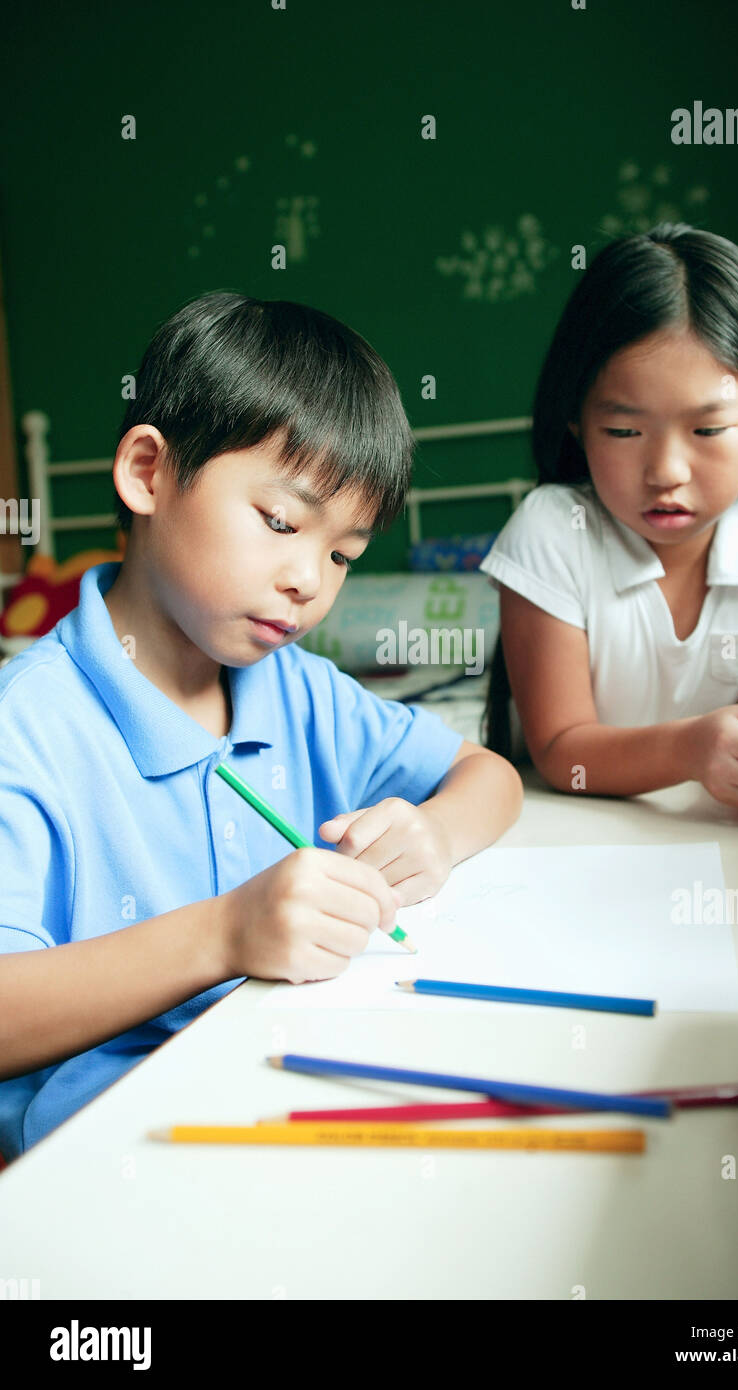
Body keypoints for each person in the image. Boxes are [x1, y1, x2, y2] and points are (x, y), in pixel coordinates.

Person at [0, 292, 522, 1158]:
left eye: (343, 554)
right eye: (281, 522)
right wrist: (226, 932)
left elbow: (490, 778)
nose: (309, 579)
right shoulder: (31, 729)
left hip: (286, 1101)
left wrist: (430, 833)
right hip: (107, 1163)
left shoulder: (296, 689)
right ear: (148, 474)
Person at [480, 223, 738, 810]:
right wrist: (690, 750)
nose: (666, 471)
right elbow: (560, 752)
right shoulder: (551, 529)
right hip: (578, 830)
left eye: (708, 429)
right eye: (624, 431)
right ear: (575, 420)